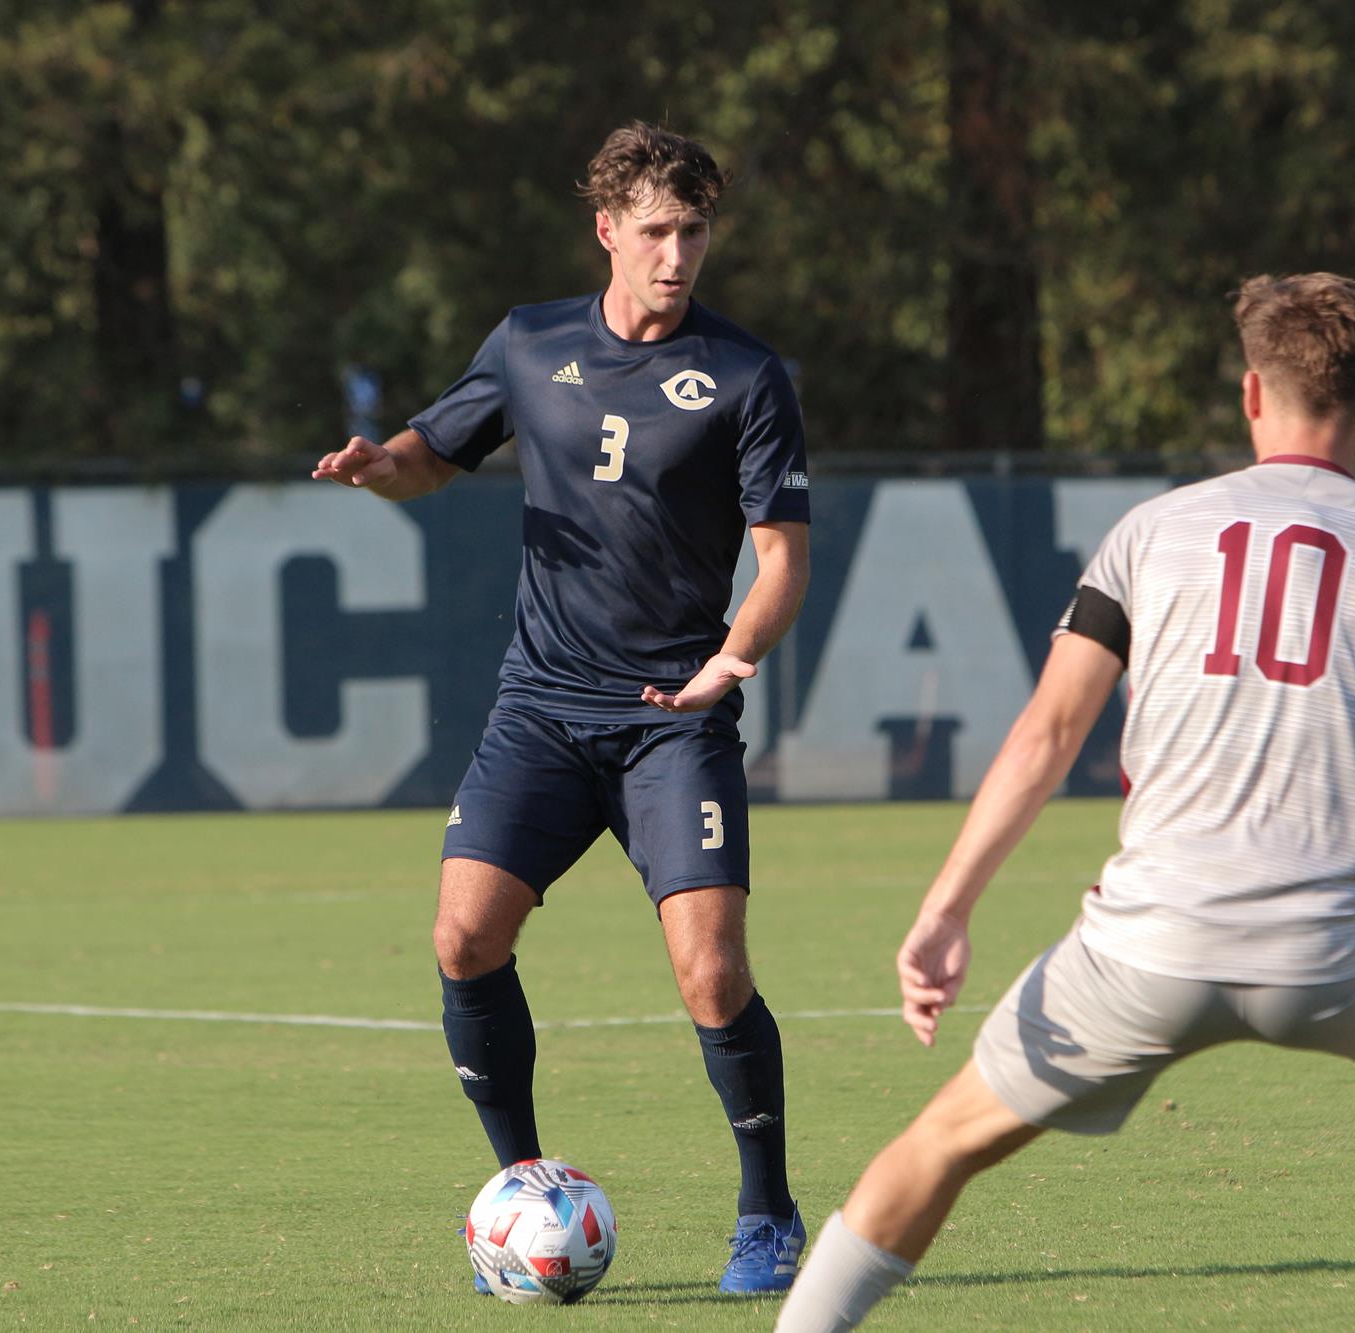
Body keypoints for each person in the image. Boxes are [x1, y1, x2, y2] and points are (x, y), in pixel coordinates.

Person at [776, 273, 1355, 1333]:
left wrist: (944, 910)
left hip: (1140, 952)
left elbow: (1044, 735)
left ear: (1250, 394)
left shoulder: (1151, 531)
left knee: (938, 1143)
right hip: (1340, 954)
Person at [313, 122, 813, 1295]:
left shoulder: (745, 376)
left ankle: (768, 1213)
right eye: (654, 231)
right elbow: (436, 453)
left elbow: (782, 561)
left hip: (671, 717)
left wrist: (726, 665)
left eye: (694, 231)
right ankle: (525, 1184)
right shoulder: (529, 342)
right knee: (463, 936)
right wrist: (379, 463)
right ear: (606, 231)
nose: (676, 254)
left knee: (709, 974)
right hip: (539, 706)